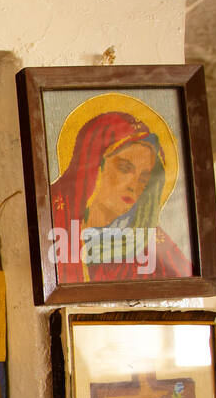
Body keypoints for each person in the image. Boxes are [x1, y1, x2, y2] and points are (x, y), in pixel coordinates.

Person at [50, 109, 191, 283]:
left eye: (144, 178)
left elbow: (183, 284)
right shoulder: (51, 220)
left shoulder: (148, 241)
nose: (134, 186)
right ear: (93, 164)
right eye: (125, 169)